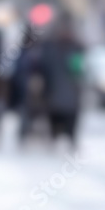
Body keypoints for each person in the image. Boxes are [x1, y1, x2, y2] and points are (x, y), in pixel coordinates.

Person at [41, 13, 85, 149]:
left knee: (60, 125)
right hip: (65, 98)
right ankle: (65, 141)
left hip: (59, 97)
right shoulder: (75, 48)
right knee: (65, 125)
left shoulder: (52, 47)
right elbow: (78, 72)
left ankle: (60, 140)